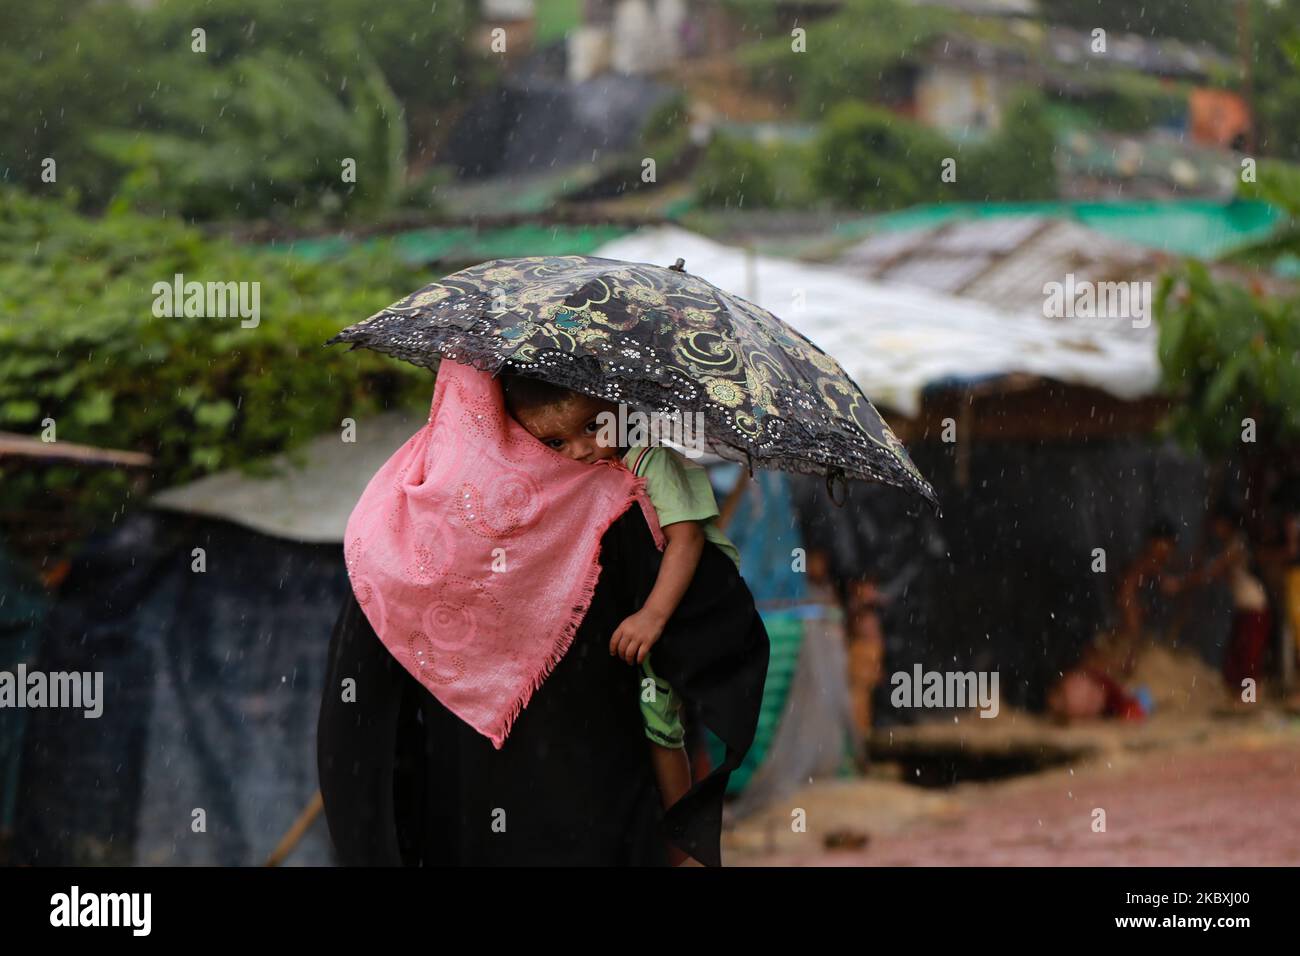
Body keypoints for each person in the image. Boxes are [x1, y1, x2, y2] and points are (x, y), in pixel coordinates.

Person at [318, 362, 768, 866]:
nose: (576, 450)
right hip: (601, 809)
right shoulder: (621, 502)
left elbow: (359, 713)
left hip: (463, 816)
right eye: (553, 441)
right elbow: (715, 627)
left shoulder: (402, 517)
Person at [500, 373, 741, 864]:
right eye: (555, 442)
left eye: (594, 427)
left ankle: (686, 848)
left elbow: (686, 541)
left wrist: (652, 617)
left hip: (685, 609)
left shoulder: (652, 461)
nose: (582, 450)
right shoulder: (588, 477)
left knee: (661, 728)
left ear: (621, 411)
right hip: (652, 612)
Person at [1177, 505, 1272, 697]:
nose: (1215, 529)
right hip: (1244, 608)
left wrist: (1180, 584)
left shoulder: (1238, 544)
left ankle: (1250, 700)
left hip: (1254, 607)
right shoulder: (1231, 545)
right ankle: (1240, 699)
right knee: (1235, 658)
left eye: (1218, 524)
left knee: (1248, 659)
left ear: (1227, 524)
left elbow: (1213, 571)